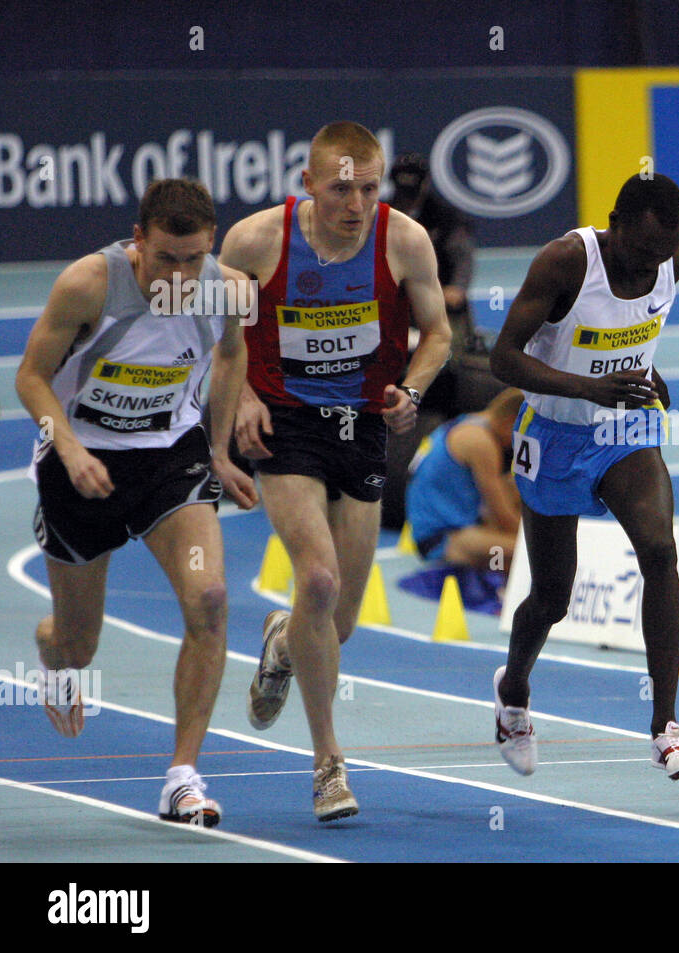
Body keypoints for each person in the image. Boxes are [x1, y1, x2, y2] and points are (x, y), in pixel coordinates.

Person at [219, 121, 452, 821]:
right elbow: (216, 337)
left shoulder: (404, 240)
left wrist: (410, 390)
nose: (355, 202)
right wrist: (247, 401)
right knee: (316, 577)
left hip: (364, 425)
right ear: (308, 185)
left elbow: (437, 332)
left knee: (337, 621)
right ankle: (328, 765)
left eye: (368, 187)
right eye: (340, 188)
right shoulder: (254, 242)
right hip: (286, 423)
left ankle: (282, 638)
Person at [14, 178, 258, 826]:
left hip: (168, 458)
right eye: (167, 259)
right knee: (78, 644)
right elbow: (30, 378)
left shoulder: (227, 288)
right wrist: (66, 448)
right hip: (80, 463)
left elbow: (233, 352)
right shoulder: (87, 283)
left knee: (209, 597)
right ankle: (52, 650)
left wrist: (220, 449)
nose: (181, 275)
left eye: (195, 260)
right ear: (139, 241)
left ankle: (181, 777)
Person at [489, 173, 679, 780]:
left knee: (660, 550)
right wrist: (591, 386)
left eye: (658, 258)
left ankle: (665, 727)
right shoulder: (565, 262)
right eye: (638, 255)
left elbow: (637, 329)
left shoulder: (678, 258)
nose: (647, 270)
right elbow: (504, 358)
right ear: (612, 224)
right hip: (555, 434)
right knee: (553, 597)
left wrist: (644, 370)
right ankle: (514, 691)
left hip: (624, 430)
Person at [382, 153, 503, 530]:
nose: (406, 199)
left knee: (456, 359)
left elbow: (463, 259)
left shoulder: (448, 220)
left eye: (412, 193)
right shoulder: (382, 216)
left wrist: (457, 290)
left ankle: (448, 401)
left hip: (443, 308)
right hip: (398, 307)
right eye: (400, 192)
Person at [406, 386, 524, 571]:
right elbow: (501, 513)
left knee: (513, 485)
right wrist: (534, 541)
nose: (516, 445)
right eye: (521, 436)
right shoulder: (480, 442)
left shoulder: (467, 422)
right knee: (536, 555)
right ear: (511, 422)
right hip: (446, 540)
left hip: (449, 531)